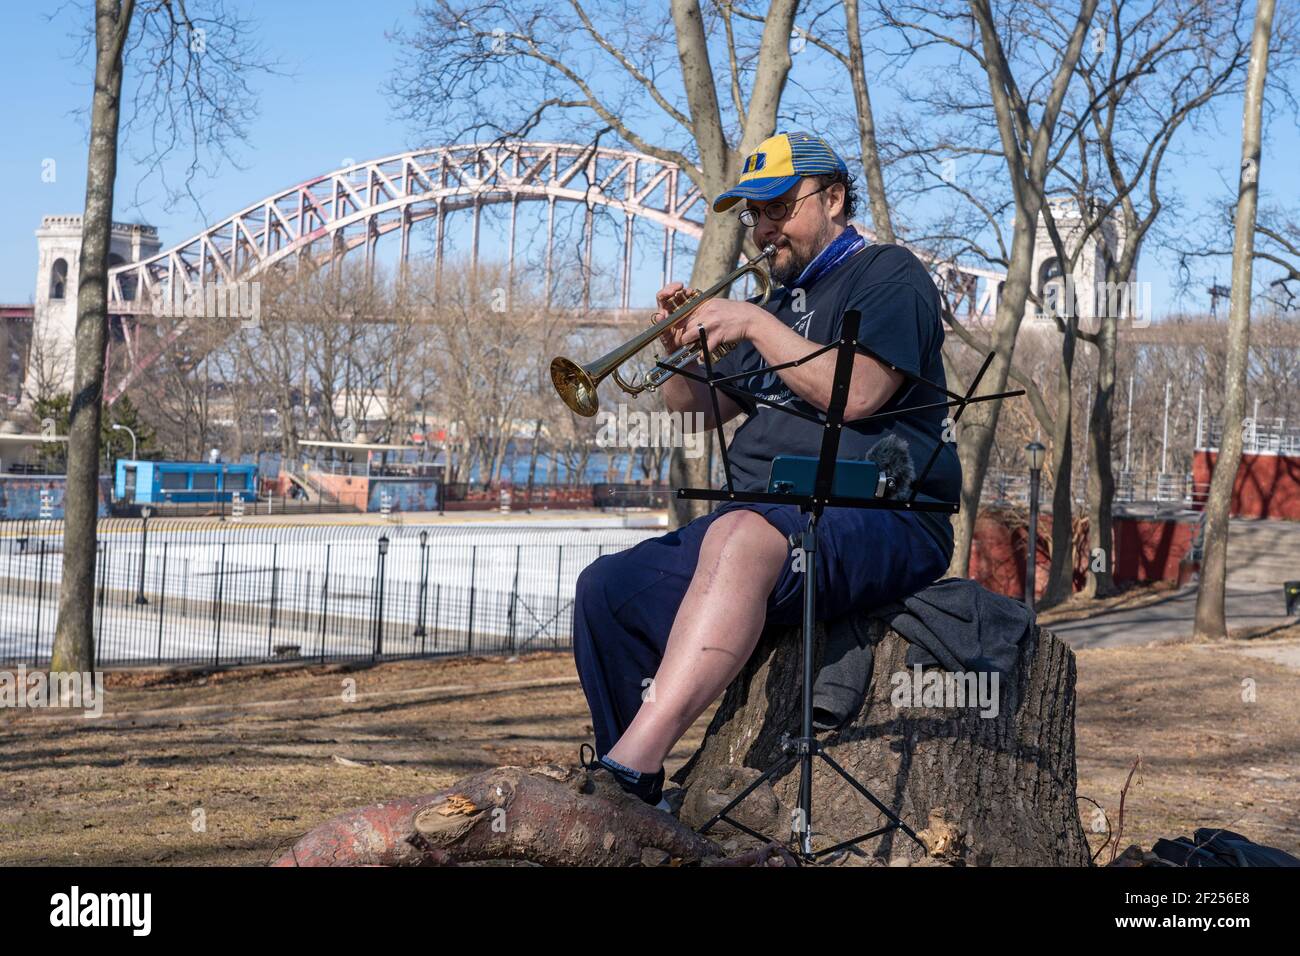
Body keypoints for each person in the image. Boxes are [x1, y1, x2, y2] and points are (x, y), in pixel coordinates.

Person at [572, 131, 960, 811]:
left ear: (834, 198)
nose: (763, 229)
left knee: (740, 535)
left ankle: (627, 772)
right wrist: (680, 355)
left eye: (777, 208)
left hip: (881, 515)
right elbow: (694, 413)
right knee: (607, 588)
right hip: (766, 519)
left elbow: (863, 392)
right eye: (753, 214)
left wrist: (751, 322)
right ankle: (637, 802)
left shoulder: (889, 274)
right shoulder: (778, 306)